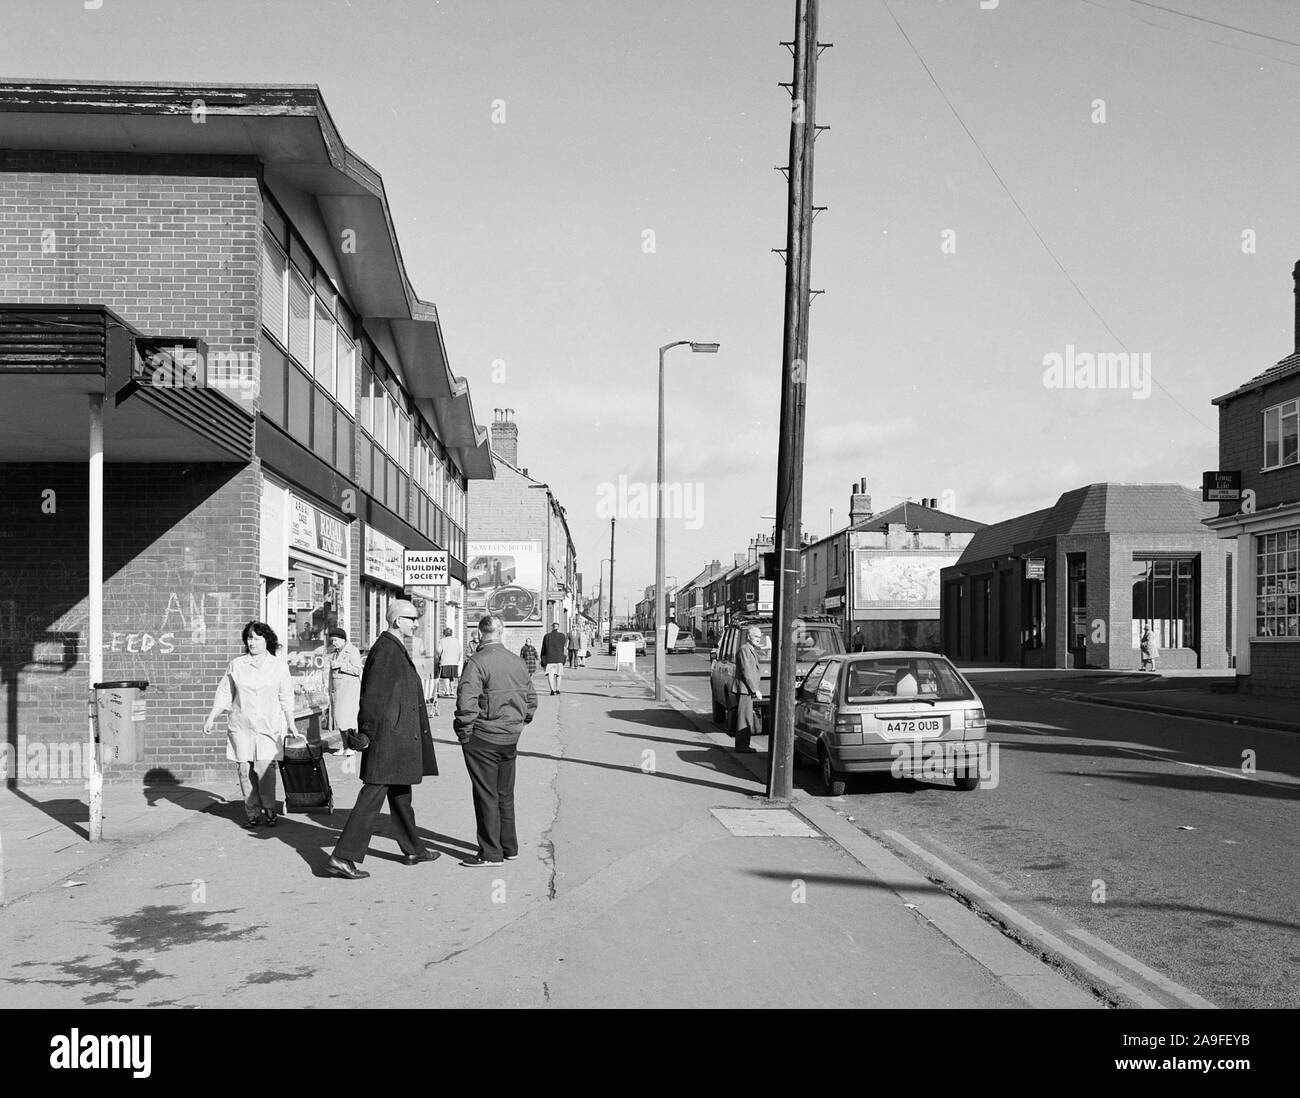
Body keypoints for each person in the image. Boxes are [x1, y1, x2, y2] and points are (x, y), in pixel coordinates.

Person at [326, 600, 440, 880]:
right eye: (411, 618)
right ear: (396, 620)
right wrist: (367, 733)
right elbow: (373, 697)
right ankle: (342, 857)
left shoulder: (394, 647)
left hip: (397, 738)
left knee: (400, 795)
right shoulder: (387, 650)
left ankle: (413, 848)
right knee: (371, 798)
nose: (416, 622)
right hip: (388, 739)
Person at [454, 615, 538, 866]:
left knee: (486, 794)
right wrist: (520, 723)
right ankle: (509, 847)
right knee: (505, 794)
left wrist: (463, 732)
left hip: (484, 736)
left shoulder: (476, 662)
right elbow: (531, 699)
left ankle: (491, 853)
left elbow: (466, 702)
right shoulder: (517, 662)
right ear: (502, 632)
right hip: (510, 736)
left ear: (480, 634)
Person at [203, 621, 296, 828]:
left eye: (256, 638)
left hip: (267, 725)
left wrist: (291, 723)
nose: (251, 642)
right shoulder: (237, 664)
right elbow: (225, 693)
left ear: (267, 640)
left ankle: (269, 807)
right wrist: (212, 716)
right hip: (241, 725)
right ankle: (252, 812)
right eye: (249, 638)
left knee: (265, 769)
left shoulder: (279, 666)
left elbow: (286, 696)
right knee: (244, 769)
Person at [327, 627, 362, 758]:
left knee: (348, 720)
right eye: (332, 641)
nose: (333, 643)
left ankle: (351, 747)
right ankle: (345, 745)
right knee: (339, 720)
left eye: (335, 640)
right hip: (337, 691)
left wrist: (340, 665)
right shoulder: (335, 652)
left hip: (348, 691)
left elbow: (357, 670)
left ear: (342, 639)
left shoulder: (352, 651)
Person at [730, 624, 764, 754]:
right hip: (744, 689)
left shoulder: (750, 649)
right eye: (756, 636)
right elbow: (747, 671)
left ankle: (744, 745)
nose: (758, 639)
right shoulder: (745, 650)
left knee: (746, 718)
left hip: (746, 689)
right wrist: (755, 689)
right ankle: (742, 746)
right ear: (748, 636)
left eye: (759, 637)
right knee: (744, 719)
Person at [540, 623, 567, 695]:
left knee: (550, 674)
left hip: (550, 658)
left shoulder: (547, 636)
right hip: (559, 658)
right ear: (558, 627)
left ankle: (552, 689)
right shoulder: (562, 636)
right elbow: (564, 647)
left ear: (552, 627)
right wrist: (564, 657)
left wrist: (542, 657)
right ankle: (557, 689)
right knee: (559, 674)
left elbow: (544, 648)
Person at [436, 627, 463, 698]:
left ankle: (447, 691)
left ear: (444, 633)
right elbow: (460, 651)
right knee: (452, 676)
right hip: (454, 661)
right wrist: (458, 658)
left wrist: (438, 657)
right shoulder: (456, 640)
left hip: (445, 660)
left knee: (446, 676)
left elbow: (439, 651)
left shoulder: (442, 641)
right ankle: (452, 691)